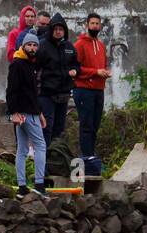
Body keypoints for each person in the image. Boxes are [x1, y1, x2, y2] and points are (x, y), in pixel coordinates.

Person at [6, 32, 47, 196]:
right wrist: (13, 112)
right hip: (26, 113)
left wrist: (40, 113)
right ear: (23, 45)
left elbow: (32, 93)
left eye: (35, 45)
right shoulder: (18, 64)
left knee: (22, 149)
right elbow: (11, 90)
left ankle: (22, 187)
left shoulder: (30, 64)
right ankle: (39, 184)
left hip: (30, 112)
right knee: (40, 146)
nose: (32, 48)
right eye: (29, 45)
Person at [72, 12, 111, 175]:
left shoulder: (101, 45)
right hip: (83, 89)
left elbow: (103, 65)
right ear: (86, 25)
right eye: (92, 23)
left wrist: (105, 72)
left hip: (98, 90)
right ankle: (87, 158)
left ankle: (91, 157)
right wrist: (96, 72)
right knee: (86, 124)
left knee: (95, 125)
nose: (95, 26)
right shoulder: (79, 44)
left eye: (97, 23)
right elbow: (76, 68)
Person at [36, 14, 77, 149]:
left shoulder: (69, 47)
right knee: (46, 127)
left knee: (59, 129)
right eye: (55, 29)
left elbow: (76, 64)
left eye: (61, 29)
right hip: (46, 93)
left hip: (64, 94)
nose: (58, 31)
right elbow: (35, 68)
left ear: (64, 30)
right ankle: (43, 159)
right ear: (51, 30)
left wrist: (75, 71)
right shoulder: (43, 46)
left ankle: (55, 158)